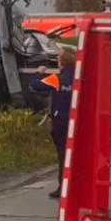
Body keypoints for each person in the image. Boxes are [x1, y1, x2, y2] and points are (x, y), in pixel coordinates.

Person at [42, 47, 76, 198]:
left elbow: (35, 85)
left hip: (61, 121)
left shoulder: (56, 79)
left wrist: (39, 73)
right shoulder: (81, 78)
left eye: (58, 57)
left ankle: (64, 186)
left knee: (63, 154)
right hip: (78, 122)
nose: (56, 59)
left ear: (62, 62)